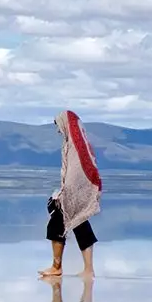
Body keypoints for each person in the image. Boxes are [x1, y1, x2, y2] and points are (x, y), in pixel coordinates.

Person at [39, 110, 102, 279]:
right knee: (81, 225)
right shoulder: (79, 143)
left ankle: (56, 267)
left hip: (74, 194)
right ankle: (88, 269)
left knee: (56, 224)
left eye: (59, 126)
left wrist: (64, 194)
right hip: (80, 193)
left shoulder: (75, 147)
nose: (58, 130)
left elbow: (75, 174)